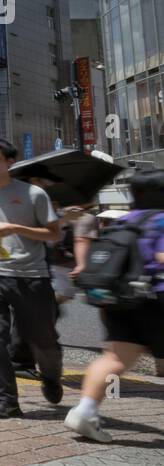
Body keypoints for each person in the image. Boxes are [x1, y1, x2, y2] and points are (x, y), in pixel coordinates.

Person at [0, 138, 64, 419]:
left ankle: (51, 375)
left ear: (10, 162)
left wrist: (16, 228)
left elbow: (54, 234)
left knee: (43, 340)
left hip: (31, 276)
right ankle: (6, 400)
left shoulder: (34, 194)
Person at [65, 171, 164, 442]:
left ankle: (85, 411)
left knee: (115, 359)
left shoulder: (123, 221)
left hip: (118, 298)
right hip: (156, 298)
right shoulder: (161, 220)